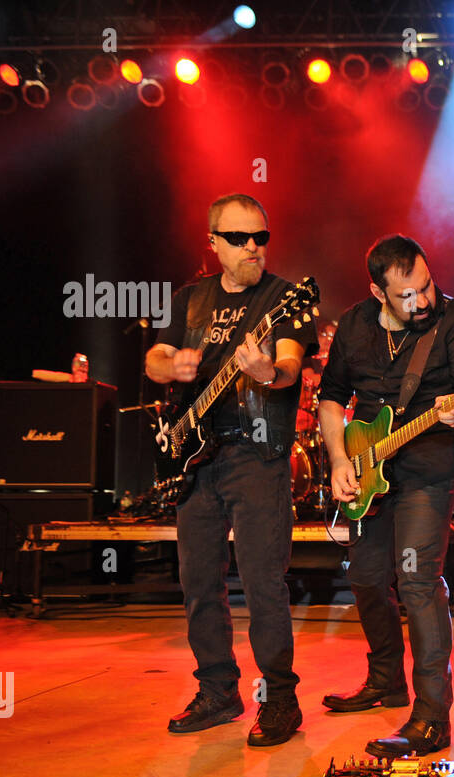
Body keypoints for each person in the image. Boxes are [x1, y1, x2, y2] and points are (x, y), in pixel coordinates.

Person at [147, 193, 317, 747]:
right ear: (213, 242)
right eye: (240, 238)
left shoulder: (285, 297)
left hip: (256, 454)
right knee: (198, 581)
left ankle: (281, 699)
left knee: (263, 581)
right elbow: (153, 360)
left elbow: (290, 366)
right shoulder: (190, 299)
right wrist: (173, 364)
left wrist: (267, 371)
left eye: (260, 238)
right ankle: (218, 691)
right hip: (197, 457)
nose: (252, 248)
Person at [317, 235, 454, 758]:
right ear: (378, 292)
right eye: (406, 295)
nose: (421, 301)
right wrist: (340, 461)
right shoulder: (353, 326)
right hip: (368, 470)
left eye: (426, 287)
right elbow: (330, 398)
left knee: (416, 578)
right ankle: (386, 679)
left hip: (430, 468)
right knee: (366, 578)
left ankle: (433, 715)